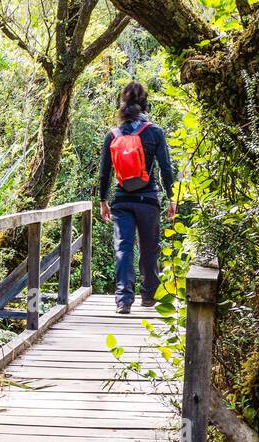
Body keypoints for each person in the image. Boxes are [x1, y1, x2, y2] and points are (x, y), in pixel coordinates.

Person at [98, 81, 177, 314]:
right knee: (149, 247)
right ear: (145, 104)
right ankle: (149, 295)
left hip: (122, 200)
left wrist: (103, 200)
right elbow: (166, 169)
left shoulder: (112, 135)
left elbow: (105, 172)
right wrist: (172, 198)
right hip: (149, 200)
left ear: (122, 104)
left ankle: (123, 300)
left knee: (123, 248)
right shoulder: (155, 132)